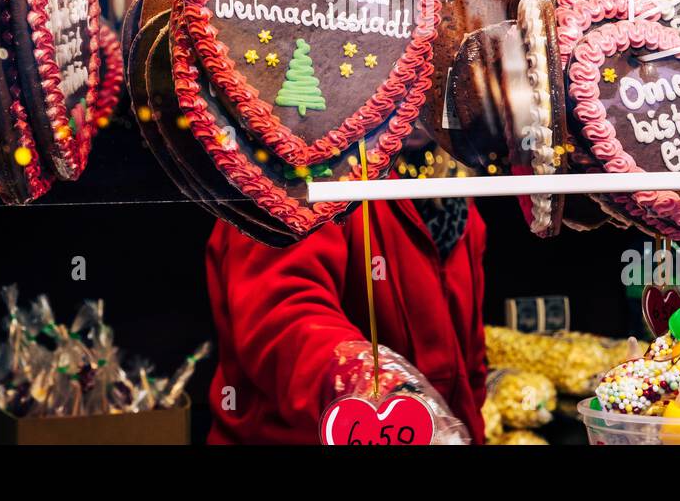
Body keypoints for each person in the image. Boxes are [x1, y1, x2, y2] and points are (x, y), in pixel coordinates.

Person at [206, 187, 487, 444]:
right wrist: (372, 388)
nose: (415, 128)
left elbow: (470, 359)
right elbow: (282, 315)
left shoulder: (458, 203)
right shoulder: (308, 168)